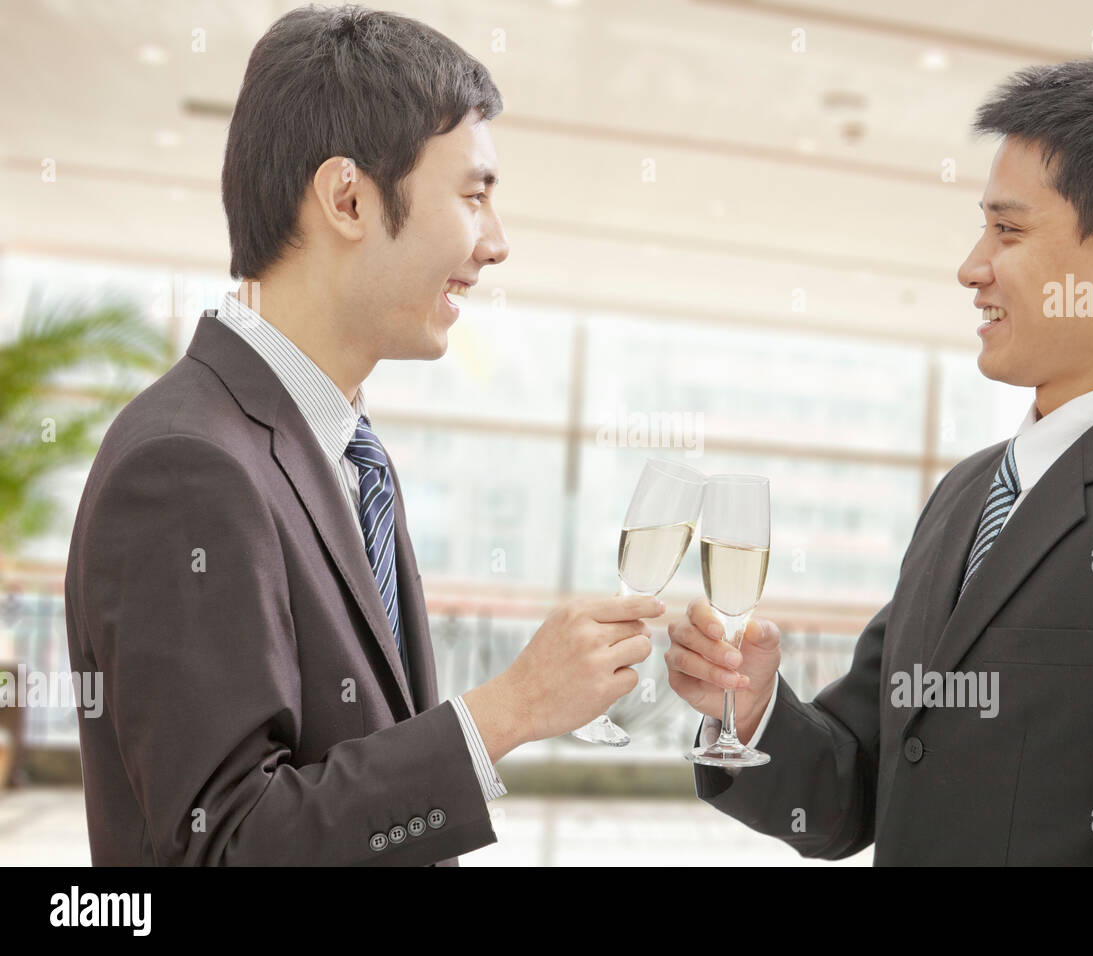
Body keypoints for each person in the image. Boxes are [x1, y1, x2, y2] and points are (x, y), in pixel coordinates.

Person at [665, 56, 1093, 865]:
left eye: (1008, 230)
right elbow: (853, 786)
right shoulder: (970, 491)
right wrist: (750, 711)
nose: (971, 267)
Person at [63, 4, 658, 866]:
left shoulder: (343, 452)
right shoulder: (186, 465)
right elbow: (222, 845)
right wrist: (509, 711)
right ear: (348, 198)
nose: (497, 244)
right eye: (473, 193)